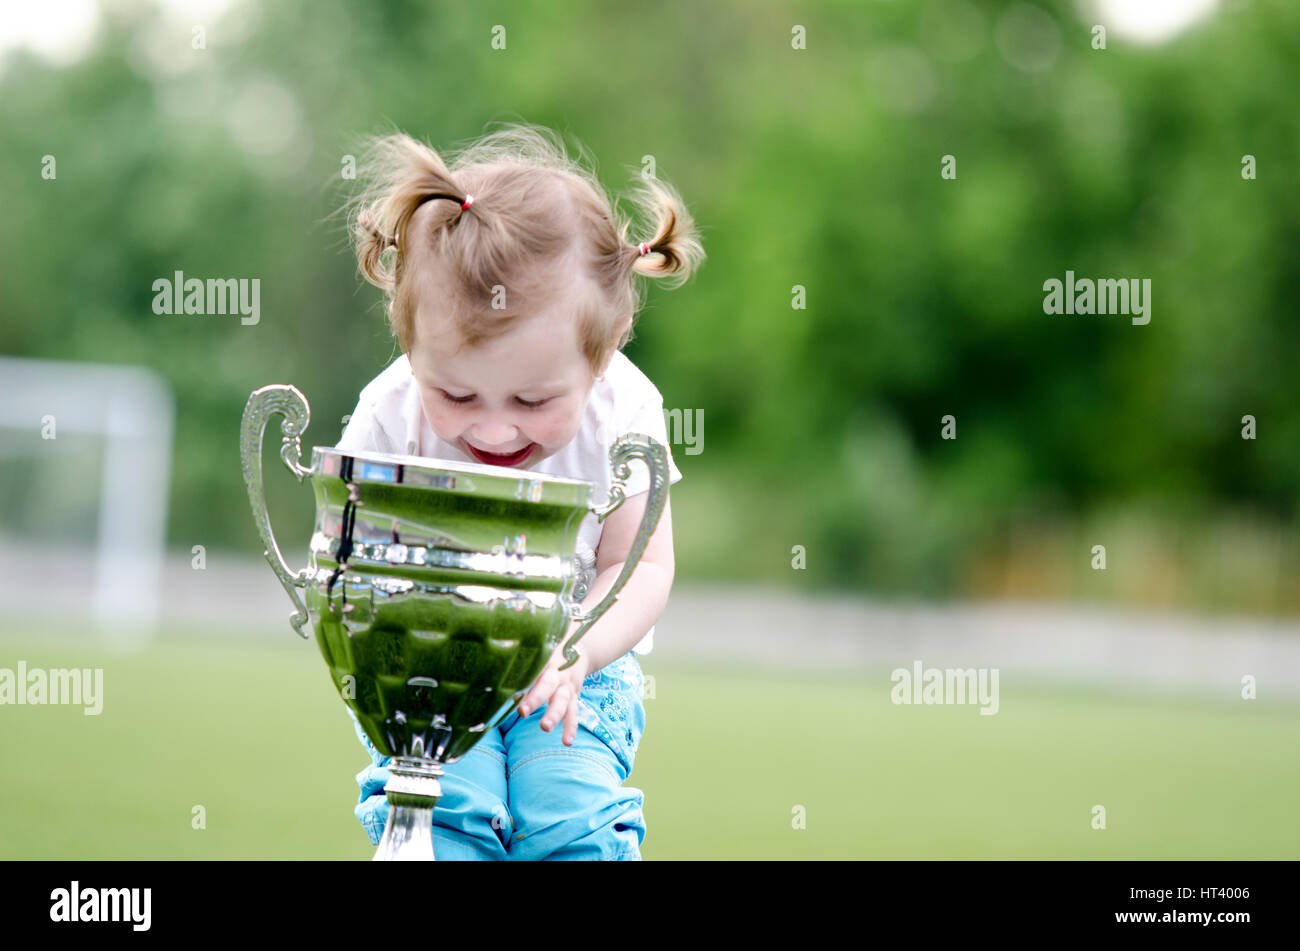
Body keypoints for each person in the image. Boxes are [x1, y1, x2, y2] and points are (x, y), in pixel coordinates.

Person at [333, 121, 704, 860]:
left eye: (533, 402)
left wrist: (580, 648)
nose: (496, 431)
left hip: (576, 667)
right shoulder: (390, 411)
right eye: (458, 395)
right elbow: (352, 565)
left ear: (606, 345)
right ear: (408, 340)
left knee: (569, 822)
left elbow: (643, 566)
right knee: (446, 818)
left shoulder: (625, 413)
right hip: (430, 667)